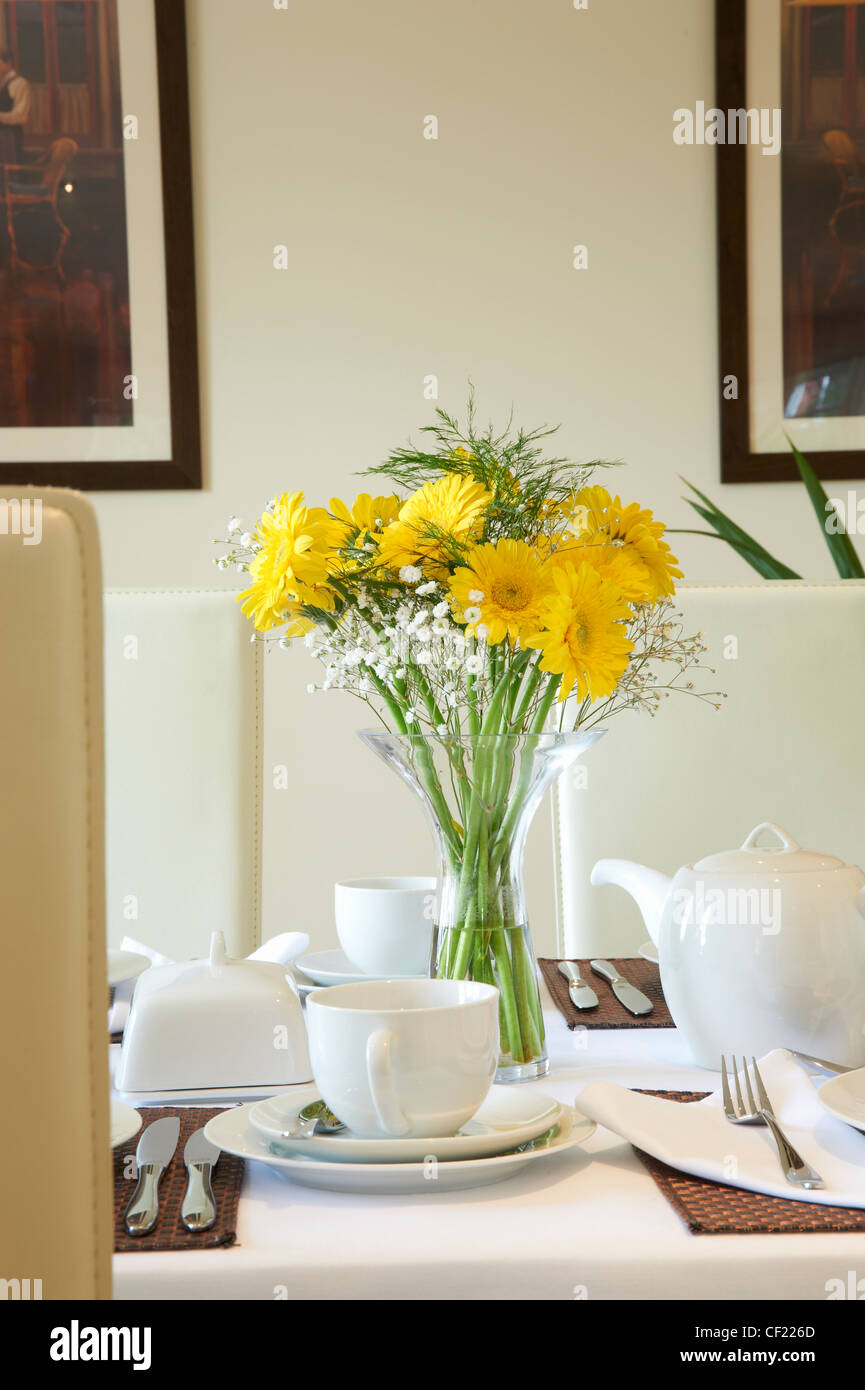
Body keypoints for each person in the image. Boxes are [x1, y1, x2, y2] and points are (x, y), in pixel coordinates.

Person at [0, 50, 31, 168]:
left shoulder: (19, 83)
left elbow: (21, 115)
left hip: (9, 136)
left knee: (9, 170)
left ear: (8, 63)